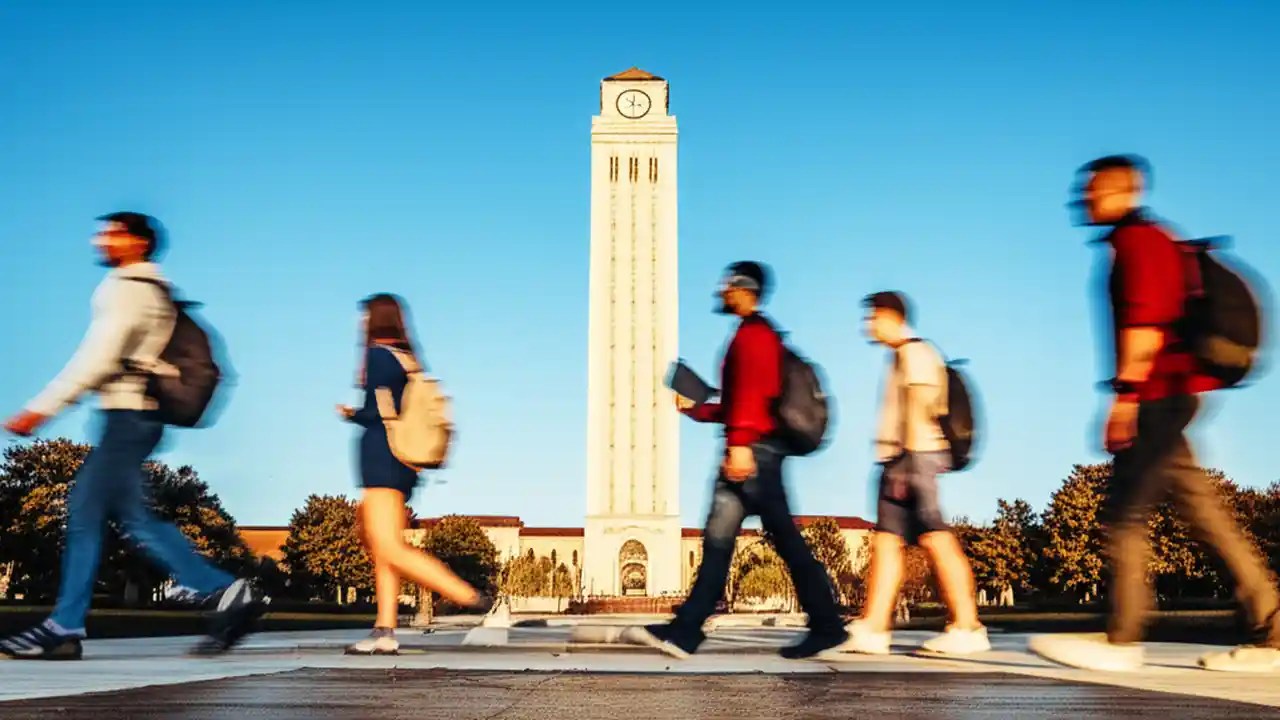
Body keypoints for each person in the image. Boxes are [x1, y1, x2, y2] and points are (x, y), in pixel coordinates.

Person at [1029, 154, 1280, 673]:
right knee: (1205, 514)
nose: (1083, 199)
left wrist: (1124, 399)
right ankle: (1273, 631)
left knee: (1125, 514)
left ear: (1124, 191)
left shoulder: (1138, 242)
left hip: (1159, 394)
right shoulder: (1149, 240)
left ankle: (1121, 640)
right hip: (1172, 391)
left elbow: (1146, 325)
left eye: (1093, 189)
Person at [0, 212, 266, 660]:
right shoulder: (152, 290)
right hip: (132, 417)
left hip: (129, 416)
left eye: (112, 233)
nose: (101, 239)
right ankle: (225, 591)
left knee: (85, 511)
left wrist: (42, 409)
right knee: (133, 518)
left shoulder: (127, 290)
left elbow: (98, 357)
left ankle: (64, 625)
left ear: (138, 243)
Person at [635, 261, 849, 660]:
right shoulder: (751, 335)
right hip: (754, 449)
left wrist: (740, 444)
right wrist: (698, 411)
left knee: (733, 542)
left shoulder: (755, 336)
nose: (722, 289)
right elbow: (738, 403)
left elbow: (754, 398)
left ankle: (688, 631)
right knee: (748, 542)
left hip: (755, 455)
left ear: (745, 289)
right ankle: (825, 625)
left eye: (728, 283)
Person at [337, 293, 491, 655]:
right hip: (404, 462)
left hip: (383, 459)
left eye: (363, 317)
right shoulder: (408, 360)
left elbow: (379, 410)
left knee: (388, 545)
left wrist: (351, 414)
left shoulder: (377, 355)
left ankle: (465, 594)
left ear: (375, 320)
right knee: (383, 549)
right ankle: (384, 631)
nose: (359, 324)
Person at [841, 291, 989, 656]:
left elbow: (924, 408)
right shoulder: (899, 357)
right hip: (899, 460)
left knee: (936, 535)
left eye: (872, 316)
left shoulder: (916, 353)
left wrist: (905, 465)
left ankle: (969, 626)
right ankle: (874, 626)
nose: (868, 325)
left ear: (891, 316)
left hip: (914, 459)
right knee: (887, 542)